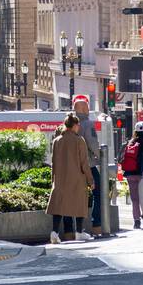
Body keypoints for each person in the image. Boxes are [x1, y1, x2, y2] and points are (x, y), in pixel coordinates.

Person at [47, 113, 93, 244]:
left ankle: (54, 232)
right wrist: (90, 180)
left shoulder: (57, 141)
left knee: (59, 206)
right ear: (74, 125)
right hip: (77, 178)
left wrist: (53, 180)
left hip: (60, 179)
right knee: (79, 204)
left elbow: (53, 162)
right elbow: (84, 163)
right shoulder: (79, 140)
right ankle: (79, 232)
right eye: (78, 125)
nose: (79, 127)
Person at [72, 97, 105, 233]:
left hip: (72, 166)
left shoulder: (69, 124)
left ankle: (70, 230)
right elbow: (92, 143)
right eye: (87, 107)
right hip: (89, 165)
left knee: (73, 196)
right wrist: (100, 156)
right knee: (99, 192)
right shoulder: (87, 124)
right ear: (85, 109)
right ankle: (96, 224)